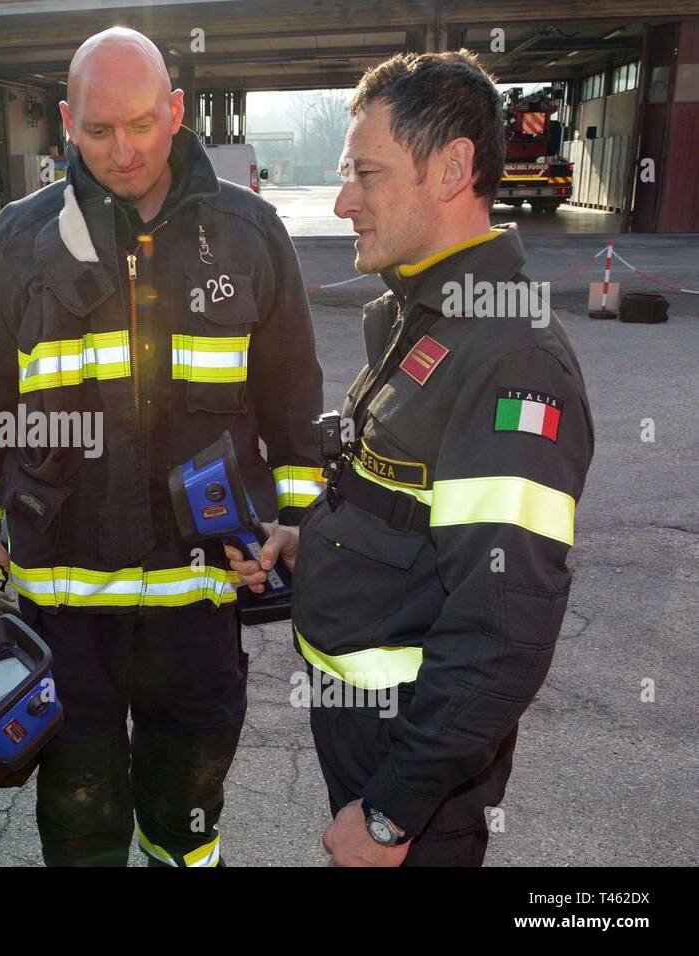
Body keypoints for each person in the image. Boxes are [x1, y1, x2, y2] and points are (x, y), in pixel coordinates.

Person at [0, 27, 324, 866]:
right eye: (99, 130)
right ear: (65, 122)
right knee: (78, 807)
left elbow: (293, 403)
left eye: (144, 125)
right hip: (63, 595)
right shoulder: (20, 239)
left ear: (178, 111)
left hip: (198, 595)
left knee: (187, 802)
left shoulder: (251, 231)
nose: (124, 151)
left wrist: (295, 520)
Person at [229, 51, 594, 866]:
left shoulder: (509, 359)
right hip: (363, 718)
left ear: (452, 168)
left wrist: (394, 812)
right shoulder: (421, 315)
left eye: (367, 173)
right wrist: (308, 541)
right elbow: (397, 494)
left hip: (415, 760)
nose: (341, 200)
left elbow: (503, 628)